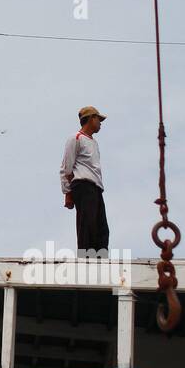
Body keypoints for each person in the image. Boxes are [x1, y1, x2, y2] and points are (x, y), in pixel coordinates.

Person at [60, 106, 109, 256]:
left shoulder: (94, 143)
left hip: (96, 187)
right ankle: (85, 260)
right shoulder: (76, 138)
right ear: (91, 118)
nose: (100, 123)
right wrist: (68, 193)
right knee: (87, 225)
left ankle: (99, 260)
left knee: (101, 228)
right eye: (98, 119)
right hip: (83, 185)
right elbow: (66, 168)